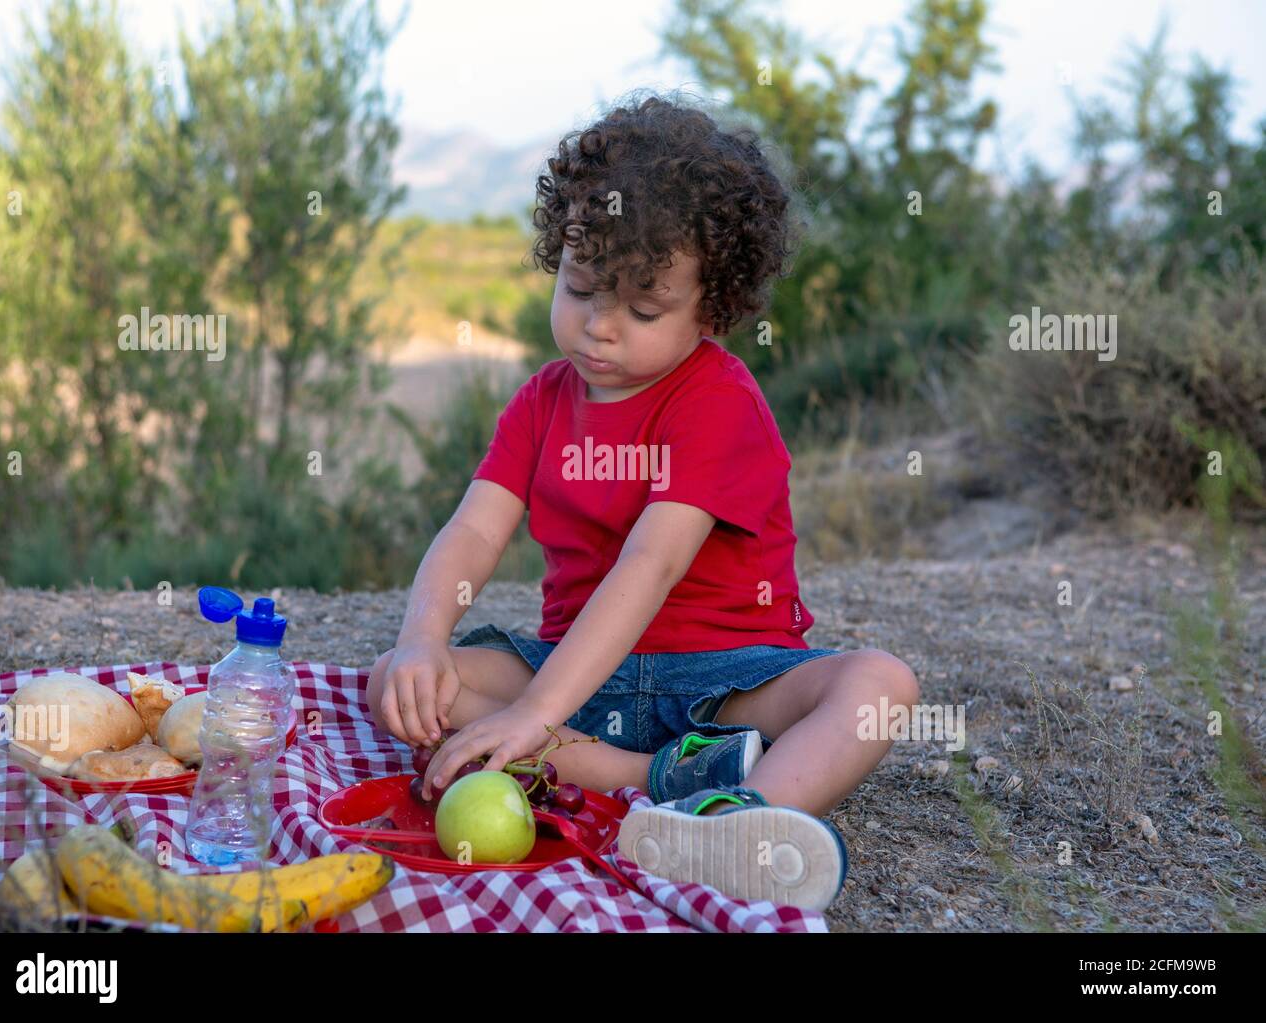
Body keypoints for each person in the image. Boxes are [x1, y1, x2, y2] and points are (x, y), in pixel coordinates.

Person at [367, 92, 919, 911]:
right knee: (402, 682)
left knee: (881, 685)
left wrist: (533, 716)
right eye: (582, 286)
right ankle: (654, 778)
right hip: (578, 674)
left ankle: (744, 819)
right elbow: (473, 531)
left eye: (643, 308)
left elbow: (651, 563)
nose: (600, 327)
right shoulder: (541, 403)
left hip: (726, 679)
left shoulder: (719, 401)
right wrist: (421, 637)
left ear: (713, 307)